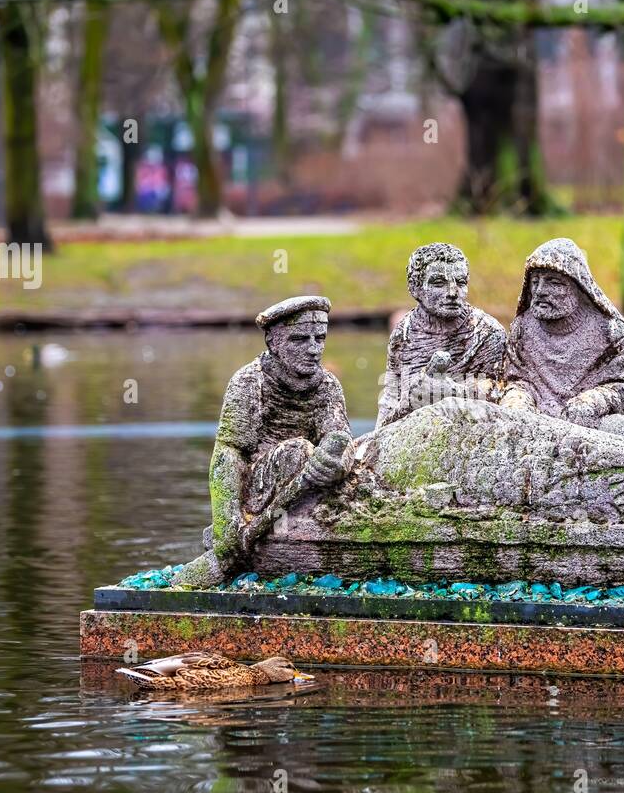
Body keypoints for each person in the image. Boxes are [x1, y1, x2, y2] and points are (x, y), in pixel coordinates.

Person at [201, 296, 352, 576]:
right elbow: (228, 454)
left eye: (320, 338)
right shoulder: (250, 381)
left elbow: (341, 440)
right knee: (296, 451)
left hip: (308, 486)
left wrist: (335, 464)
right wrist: (226, 524)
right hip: (261, 489)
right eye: (300, 339)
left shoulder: (328, 385)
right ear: (273, 342)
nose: (314, 349)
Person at [500, 237, 624, 442]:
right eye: (535, 282)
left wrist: (595, 400)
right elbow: (516, 381)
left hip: (592, 429)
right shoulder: (523, 328)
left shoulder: (610, 330)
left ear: (578, 287)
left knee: (621, 428)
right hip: (537, 430)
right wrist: (517, 400)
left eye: (554, 283)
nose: (540, 291)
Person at [374, 242, 507, 430]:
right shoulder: (403, 333)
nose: (453, 293)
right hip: (409, 432)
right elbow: (389, 400)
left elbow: (496, 402)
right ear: (415, 288)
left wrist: (450, 392)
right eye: (439, 283)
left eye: (460, 282)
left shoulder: (487, 333)